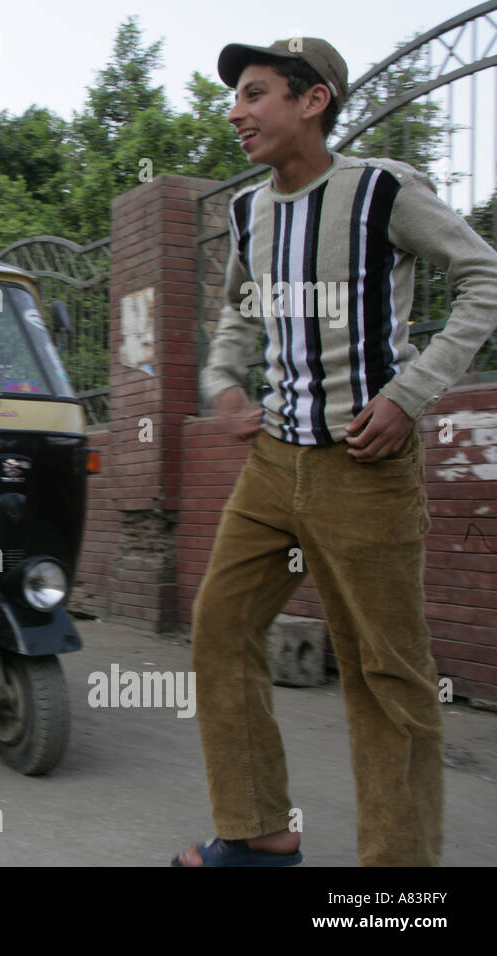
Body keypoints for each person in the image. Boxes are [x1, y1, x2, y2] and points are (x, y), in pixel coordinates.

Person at [175, 38, 497, 867]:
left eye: (254, 94)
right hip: (272, 466)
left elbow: (483, 277)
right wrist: (224, 384)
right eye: (236, 97)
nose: (236, 112)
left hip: (366, 470)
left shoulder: (379, 190)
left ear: (312, 102)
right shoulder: (250, 211)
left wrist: (408, 395)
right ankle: (258, 834)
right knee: (218, 629)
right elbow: (240, 318)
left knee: (385, 676)